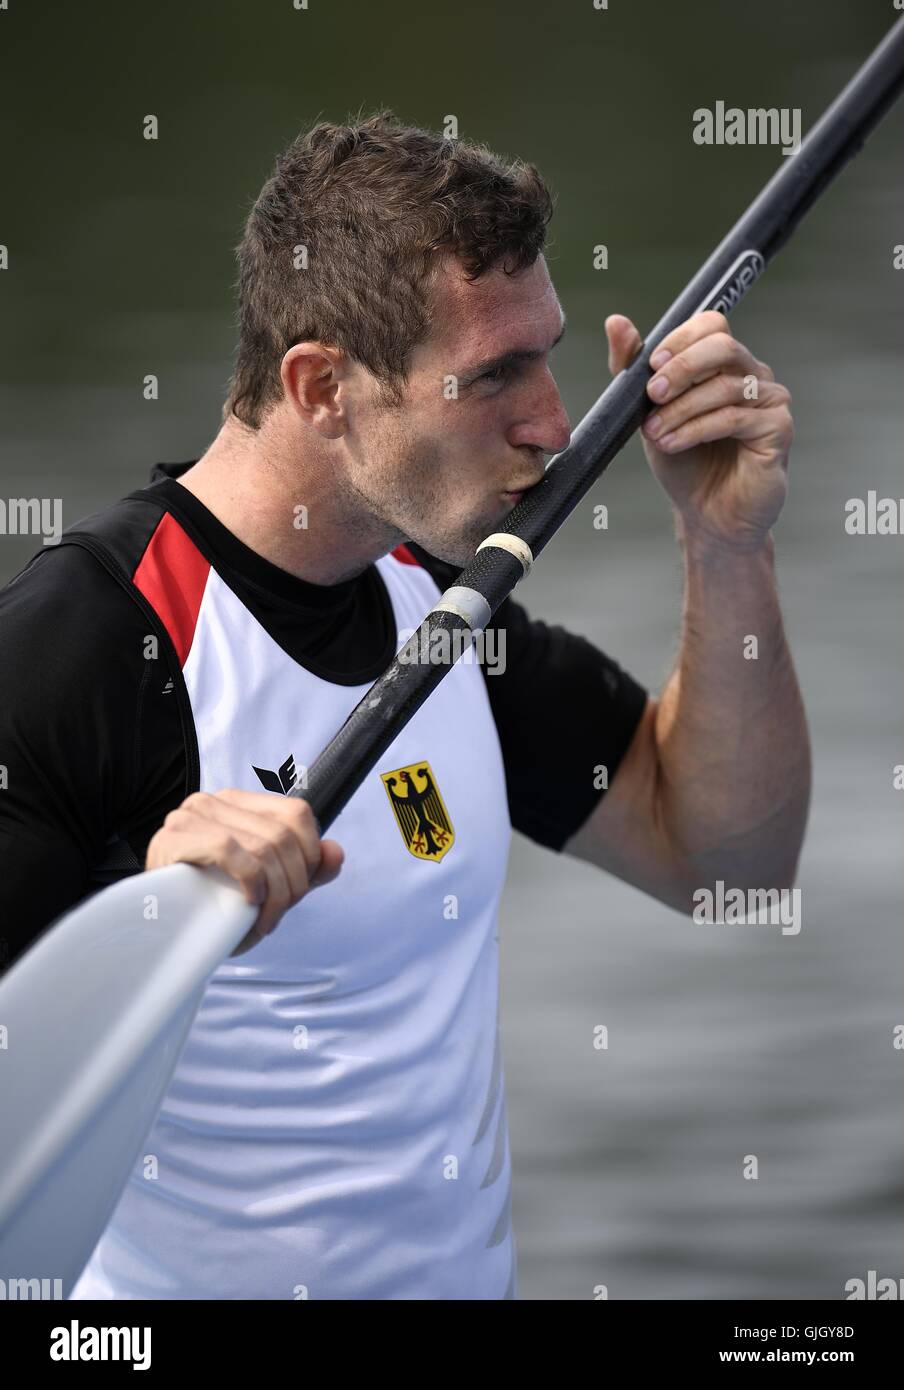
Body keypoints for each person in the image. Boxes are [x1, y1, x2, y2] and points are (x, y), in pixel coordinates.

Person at [0, 110, 810, 1299]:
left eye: (548, 355)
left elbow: (724, 857)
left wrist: (724, 543)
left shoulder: (439, 599)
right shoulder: (82, 651)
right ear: (324, 387)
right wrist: (142, 900)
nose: (552, 420)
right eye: (492, 377)